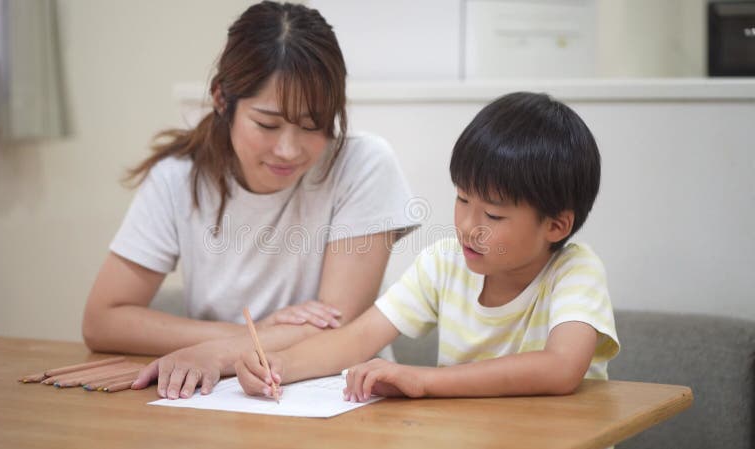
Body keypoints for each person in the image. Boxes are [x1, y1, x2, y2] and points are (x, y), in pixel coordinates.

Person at [81, 1, 419, 399]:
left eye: (313, 125)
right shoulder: (177, 178)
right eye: (268, 124)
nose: (289, 150)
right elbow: (102, 320)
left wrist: (218, 352)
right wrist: (253, 335)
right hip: (224, 398)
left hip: (344, 396)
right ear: (222, 99)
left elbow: (336, 328)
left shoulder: (362, 164)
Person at [235, 92, 620, 401]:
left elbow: (560, 368)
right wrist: (279, 364)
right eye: (463, 200)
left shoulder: (575, 272)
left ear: (556, 225)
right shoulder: (444, 263)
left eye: (494, 216)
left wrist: (425, 381)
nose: (468, 227)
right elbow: (357, 338)